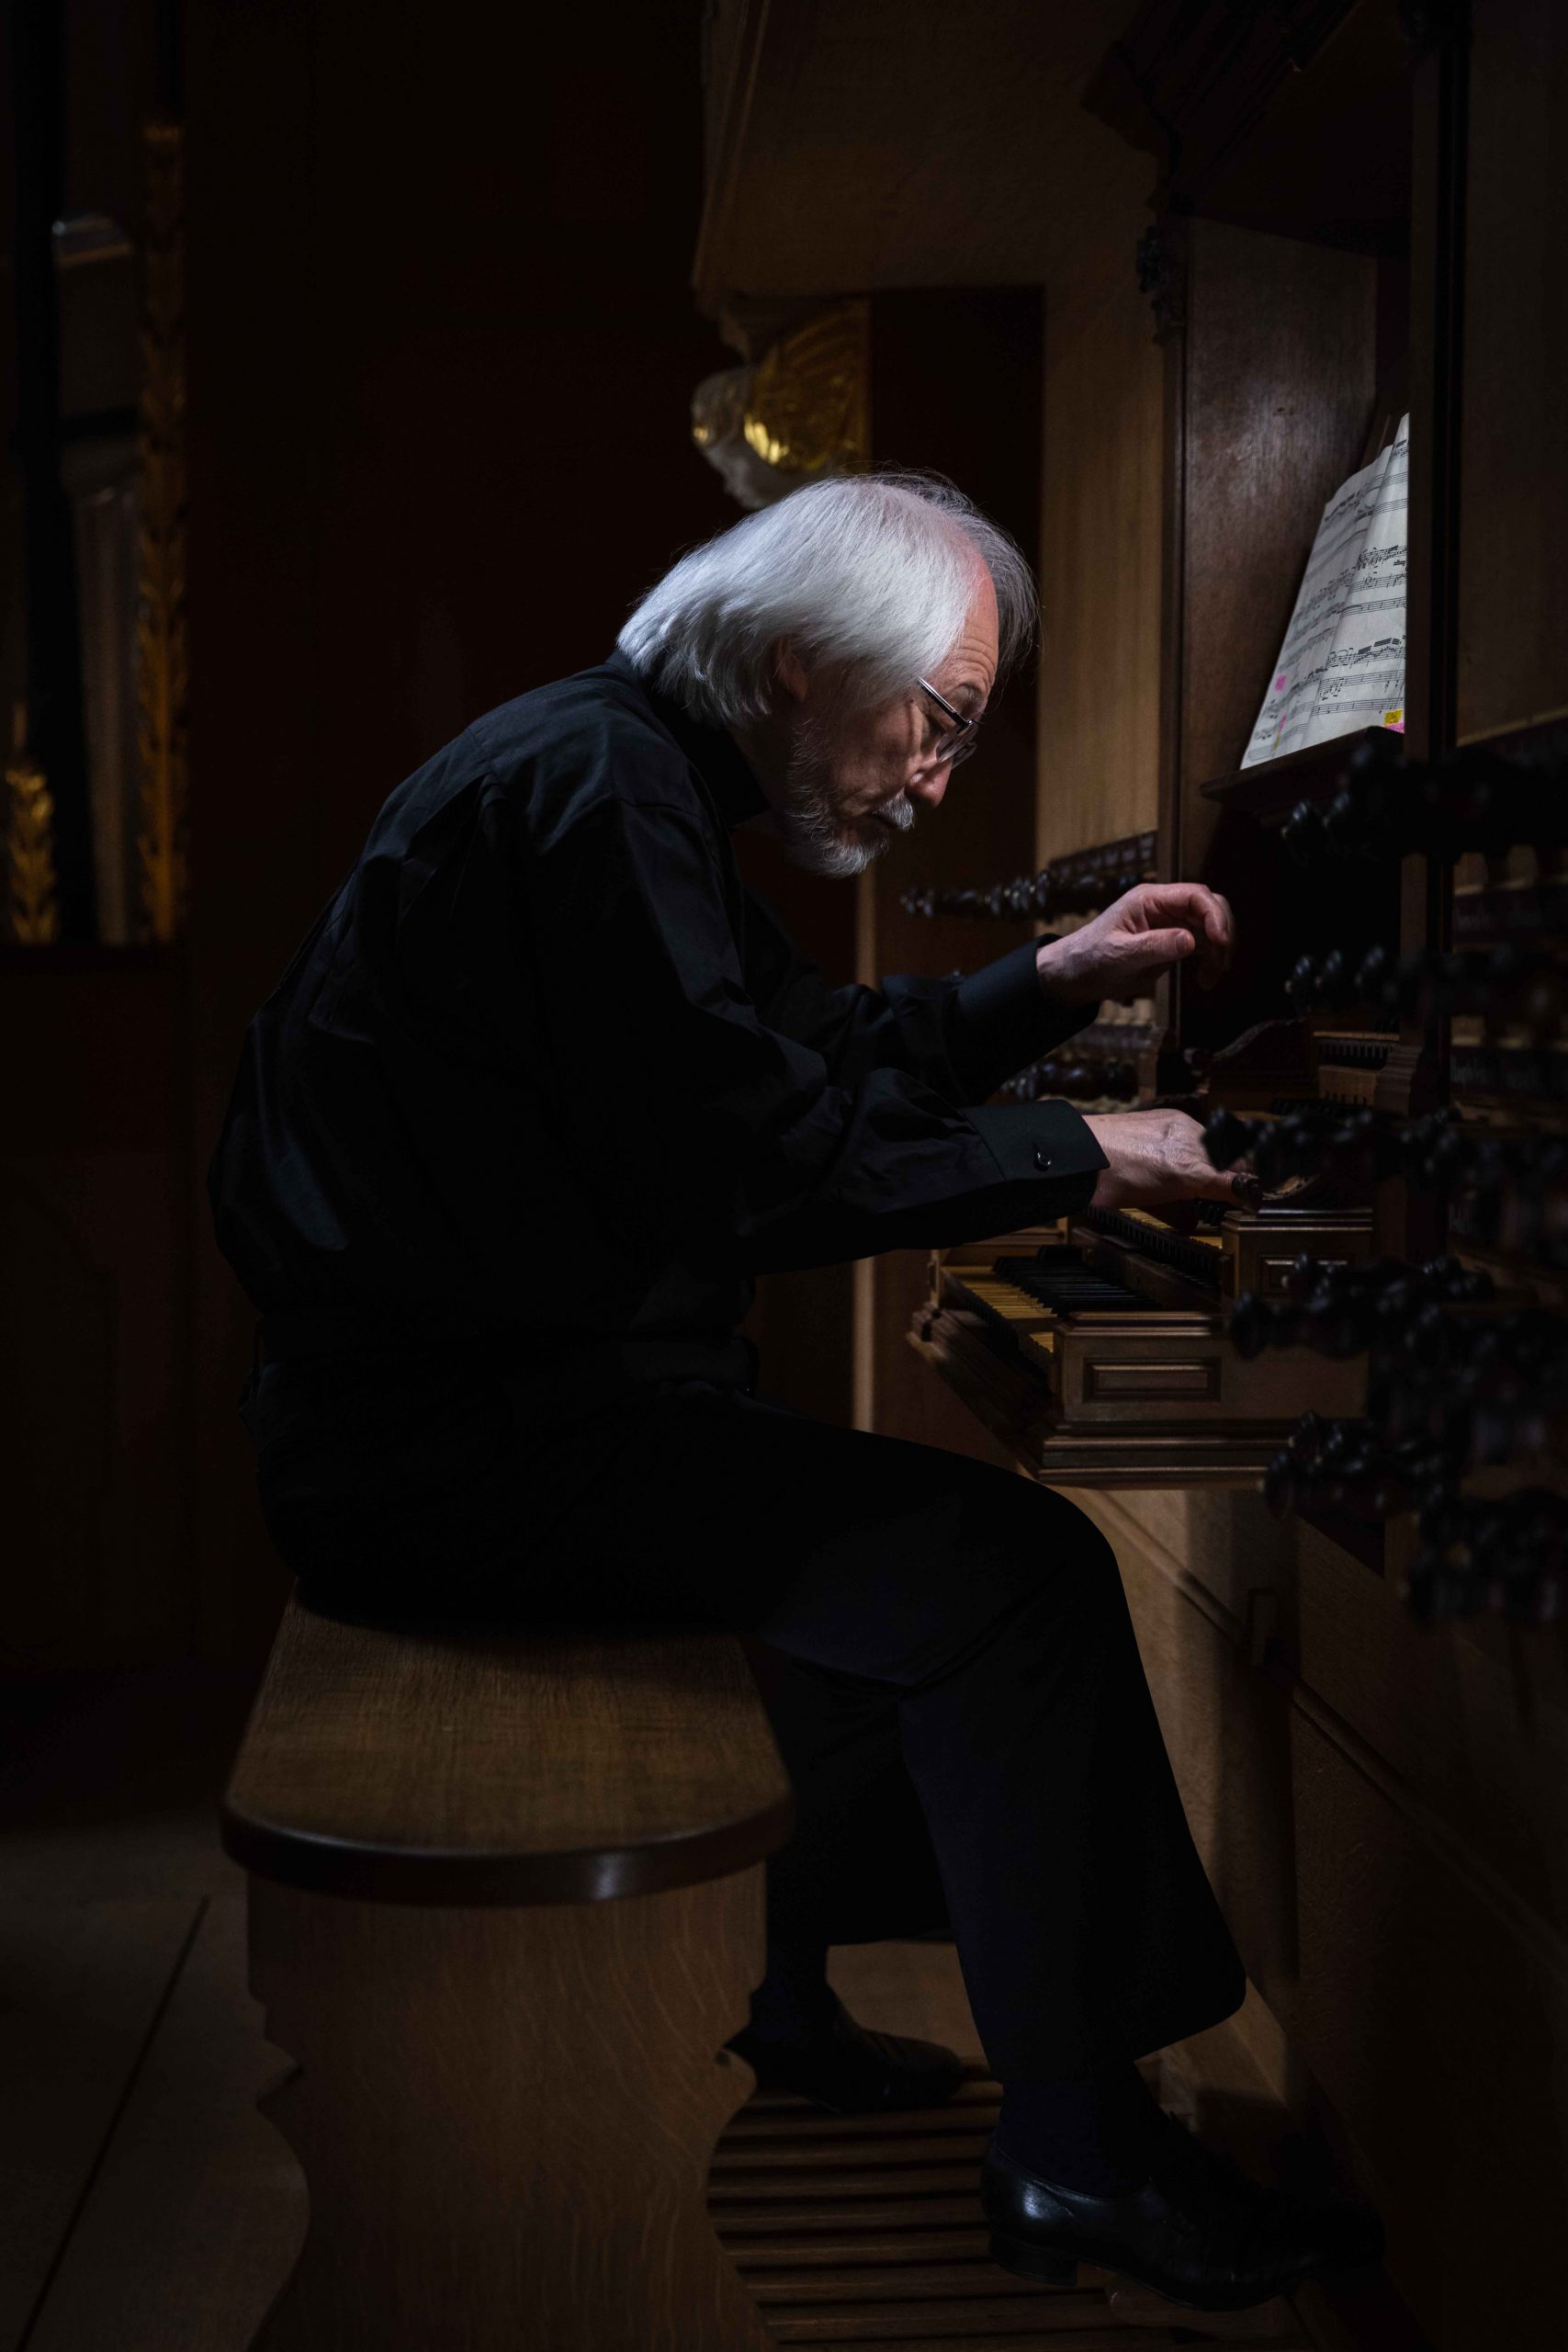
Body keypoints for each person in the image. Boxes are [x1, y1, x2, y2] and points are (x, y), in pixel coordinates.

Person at [209, 472, 1382, 2310]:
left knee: (848, 1578)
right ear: (784, 665)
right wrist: (1071, 1145)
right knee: (1012, 1578)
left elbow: (804, 1051)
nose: (930, 783)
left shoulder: (620, 768)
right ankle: (1078, 2156)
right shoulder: (596, 794)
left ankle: (774, 2004)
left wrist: (1042, 977)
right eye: (931, 724)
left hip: (475, 1417)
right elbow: (746, 1166)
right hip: (444, 1453)